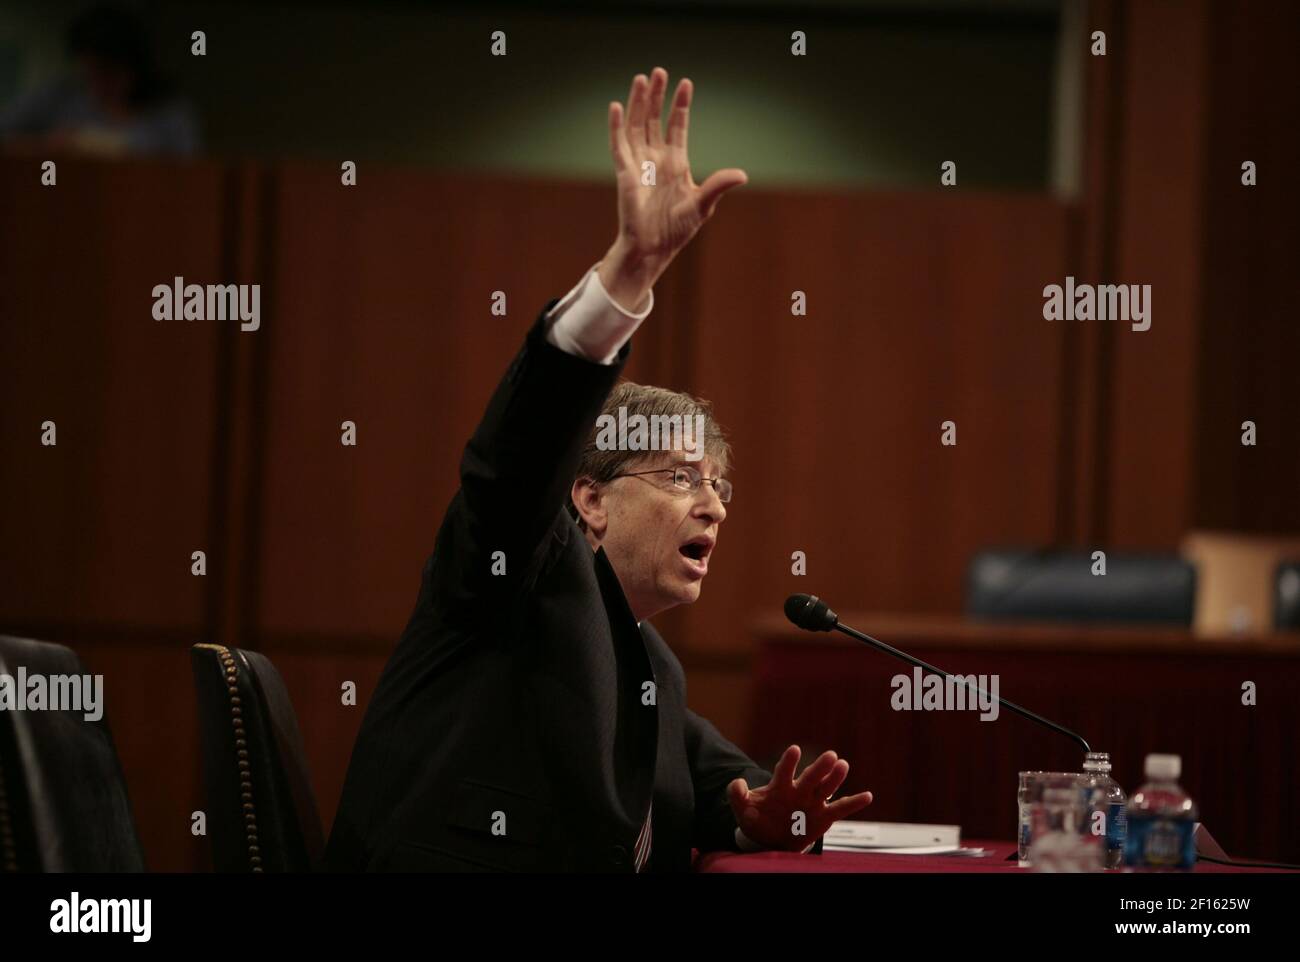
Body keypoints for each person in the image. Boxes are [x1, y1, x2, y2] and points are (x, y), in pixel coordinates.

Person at [327, 67, 873, 872]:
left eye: (719, 488)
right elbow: (513, 459)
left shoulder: (652, 666)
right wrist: (629, 274)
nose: (714, 507)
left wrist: (758, 817)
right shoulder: (512, 578)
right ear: (589, 498)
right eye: (682, 478)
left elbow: (727, 787)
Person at [0, 4, 199, 157]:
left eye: (110, 72)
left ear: (134, 68)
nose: (100, 83)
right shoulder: (60, 95)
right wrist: (46, 145)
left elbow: (188, 167)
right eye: (91, 72)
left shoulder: (167, 109)